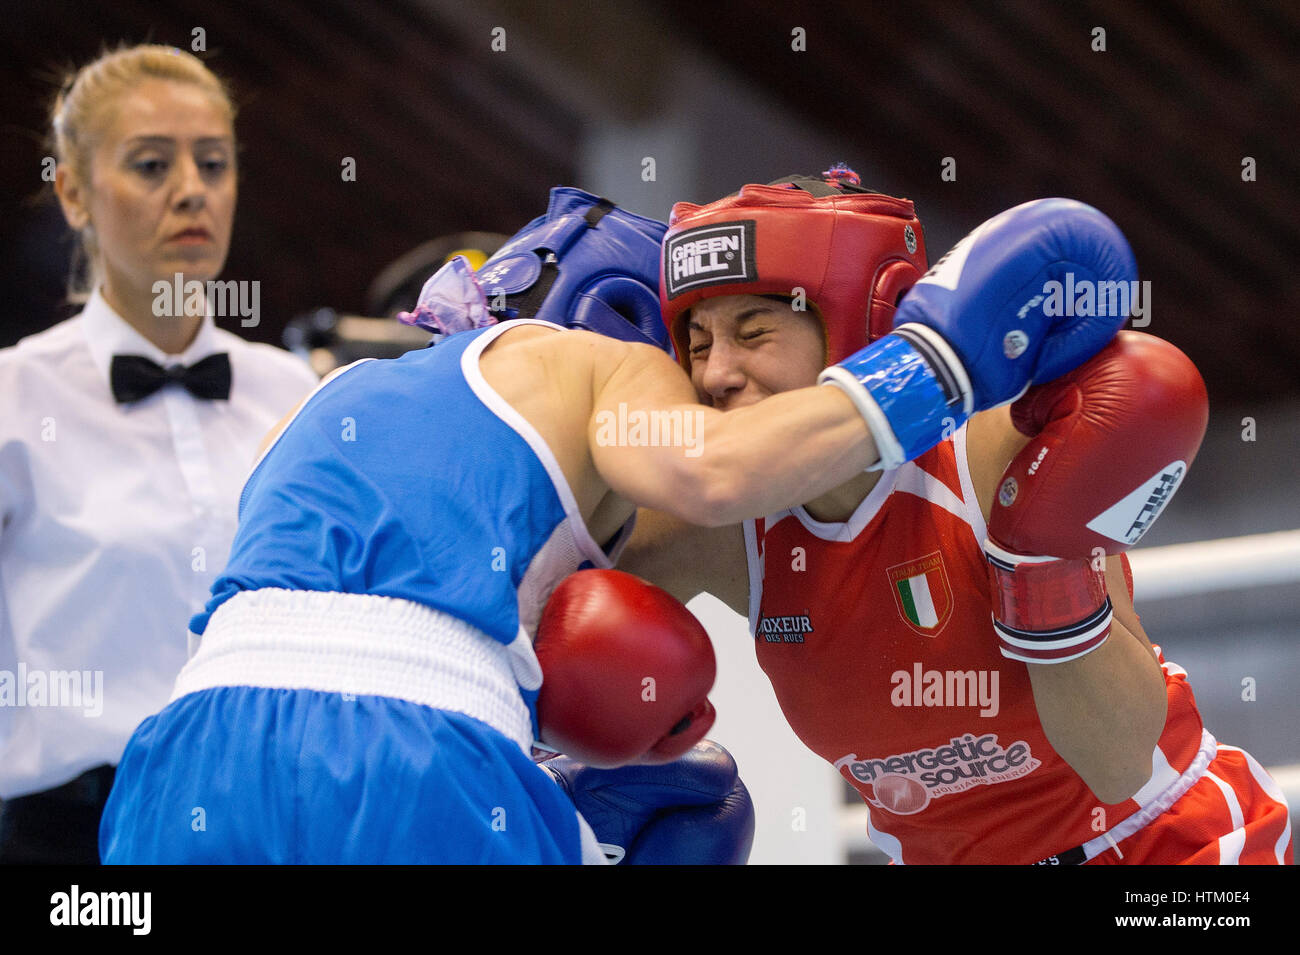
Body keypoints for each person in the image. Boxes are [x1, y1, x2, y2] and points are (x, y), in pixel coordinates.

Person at [98, 179, 1130, 864]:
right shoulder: (598, 364)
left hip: (186, 752)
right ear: (632, 318)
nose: (710, 380)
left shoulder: (322, 399)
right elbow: (715, 474)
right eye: (694, 349)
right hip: (411, 748)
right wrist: (933, 363)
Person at [618, 166, 1294, 864]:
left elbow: (1119, 762)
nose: (716, 373)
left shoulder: (996, 451)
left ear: (856, 321)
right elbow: (527, 612)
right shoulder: (718, 526)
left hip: (1164, 848)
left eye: (753, 332)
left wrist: (1038, 566)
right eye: (697, 344)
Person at [0, 45, 318, 863]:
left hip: (275, 820)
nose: (191, 190)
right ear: (73, 191)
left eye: (213, 163)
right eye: (151, 163)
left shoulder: (298, 395)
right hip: (74, 839)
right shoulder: (15, 397)